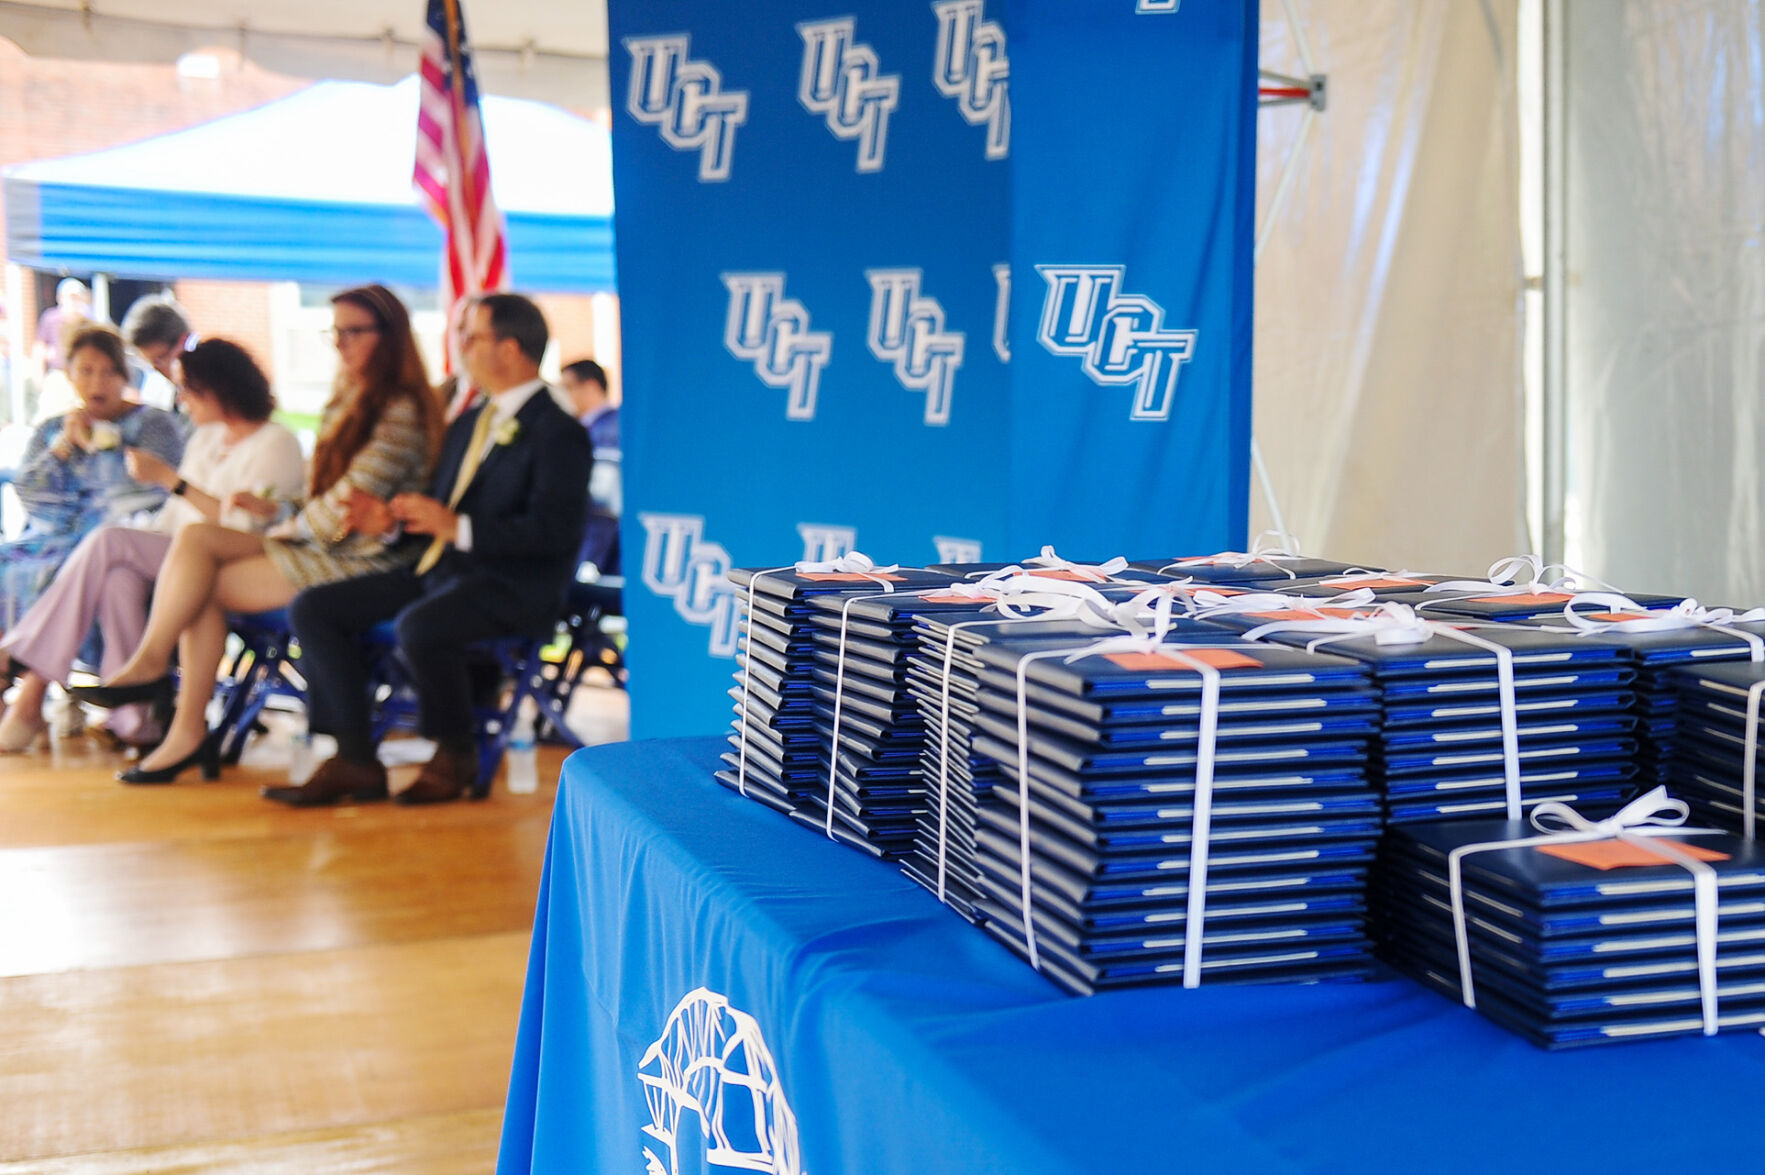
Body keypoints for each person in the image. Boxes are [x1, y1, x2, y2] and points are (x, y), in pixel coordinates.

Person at [70, 285, 443, 784]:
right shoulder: (348, 397)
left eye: (354, 332)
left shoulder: (399, 409)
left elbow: (351, 503)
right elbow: (321, 500)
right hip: (320, 540)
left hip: (365, 556)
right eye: (336, 332)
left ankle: (175, 713)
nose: (341, 343)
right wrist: (279, 509)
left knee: (199, 579)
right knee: (198, 542)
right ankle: (164, 690)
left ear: (391, 336)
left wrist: (287, 522)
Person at [265, 292, 592, 807]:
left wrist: (458, 527)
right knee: (315, 605)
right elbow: (437, 513)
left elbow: (551, 534)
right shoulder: (467, 421)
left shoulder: (559, 432)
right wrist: (390, 525)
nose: (460, 346)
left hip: (514, 586)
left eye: (472, 336)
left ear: (510, 349)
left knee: (422, 624)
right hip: (441, 569)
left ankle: (454, 751)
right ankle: (354, 757)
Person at [0, 339, 304, 753]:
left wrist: (169, 480)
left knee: (107, 541)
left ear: (217, 390)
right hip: (178, 550)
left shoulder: (276, 443)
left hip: (231, 559)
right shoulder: (207, 439)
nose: (182, 400)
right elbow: (172, 519)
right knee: (118, 578)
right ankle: (135, 720)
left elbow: (247, 527)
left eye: (188, 390)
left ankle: (24, 656)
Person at [1, 325, 186, 633]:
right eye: (85, 371)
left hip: (121, 536)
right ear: (70, 375)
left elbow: (158, 493)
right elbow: (29, 494)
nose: (97, 382)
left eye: (108, 372)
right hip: (55, 535)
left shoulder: (154, 424)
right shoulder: (54, 428)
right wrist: (63, 446)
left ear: (124, 376)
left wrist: (106, 445)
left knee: (68, 569)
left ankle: (23, 664)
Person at [120, 295, 193, 412]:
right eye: (148, 364)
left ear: (184, 341)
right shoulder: (157, 388)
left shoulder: (211, 389)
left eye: (159, 359)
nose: (157, 370)